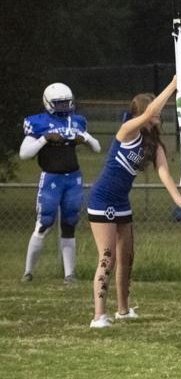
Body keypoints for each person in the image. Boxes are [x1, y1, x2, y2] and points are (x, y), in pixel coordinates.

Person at [88, 77, 181, 328]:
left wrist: (179, 200)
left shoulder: (153, 144)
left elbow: (165, 174)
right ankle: (99, 316)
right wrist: (172, 85)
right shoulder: (128, 130)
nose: (158, 114)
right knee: (107, 256)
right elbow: (149, 112)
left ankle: (123, 310)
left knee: (127, 256)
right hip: (102, 200)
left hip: (122, 202)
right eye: (154, 110)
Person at [20, 83, 101, 283]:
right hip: (51, 178)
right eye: (59, 103)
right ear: (48, 103)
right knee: (44, 222)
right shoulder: (38, 123)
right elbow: (24, 154)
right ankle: (28, 272)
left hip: (73, 178)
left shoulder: (78, 121)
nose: (64, 106)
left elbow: (97, 148)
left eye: (66, 102)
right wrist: (45, 139)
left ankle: (69, 274)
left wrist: (85, 139)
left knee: (69, 224)